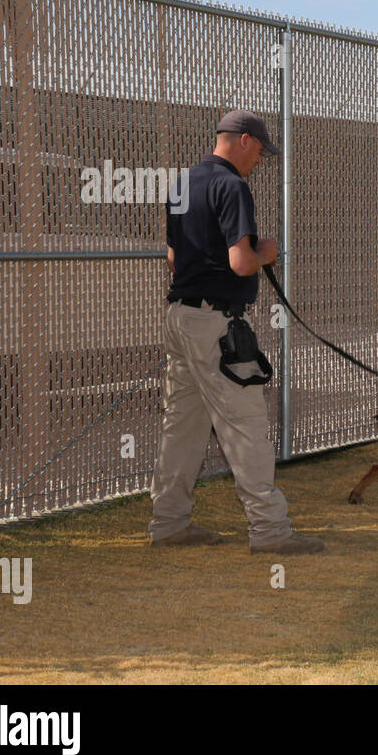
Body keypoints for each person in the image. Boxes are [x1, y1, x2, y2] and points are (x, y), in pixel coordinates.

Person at [149, 110, 325, 555]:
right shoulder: (232, 187)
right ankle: (270, 531)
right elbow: (241, 262)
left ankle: (169, 524)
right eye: (261, 153)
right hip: (214, 324)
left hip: (180, 317)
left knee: (182, 429)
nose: (259, 162)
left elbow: (173, 258)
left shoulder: (183, 184)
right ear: (244, 140)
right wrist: (266, 251)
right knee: (246, 426)